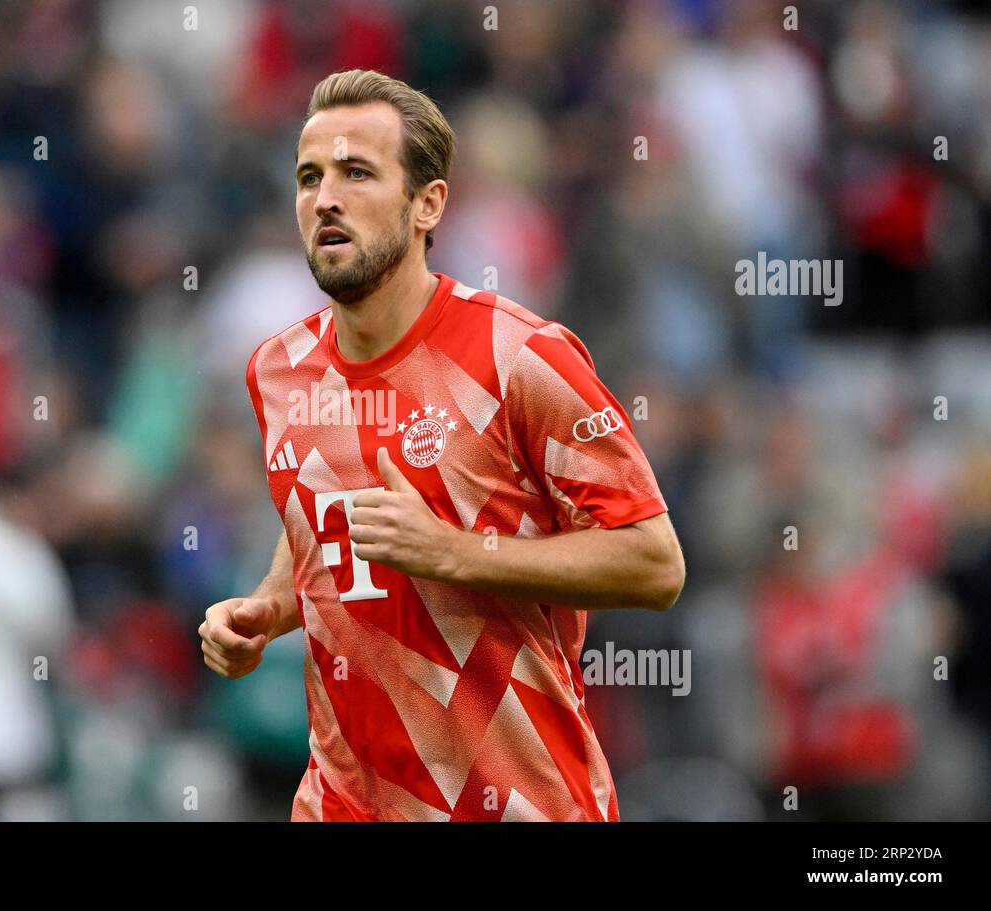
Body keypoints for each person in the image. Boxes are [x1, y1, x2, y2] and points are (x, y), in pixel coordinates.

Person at [198, 69, 686, 821]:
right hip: (343, 802)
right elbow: (323, 525)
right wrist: (266, 609)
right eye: (308, 176)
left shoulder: (518, 356)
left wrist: (455, 552)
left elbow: (655, 561)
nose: (324, 198)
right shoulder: (278, 369)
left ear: (428, 204)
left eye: (357, 172)